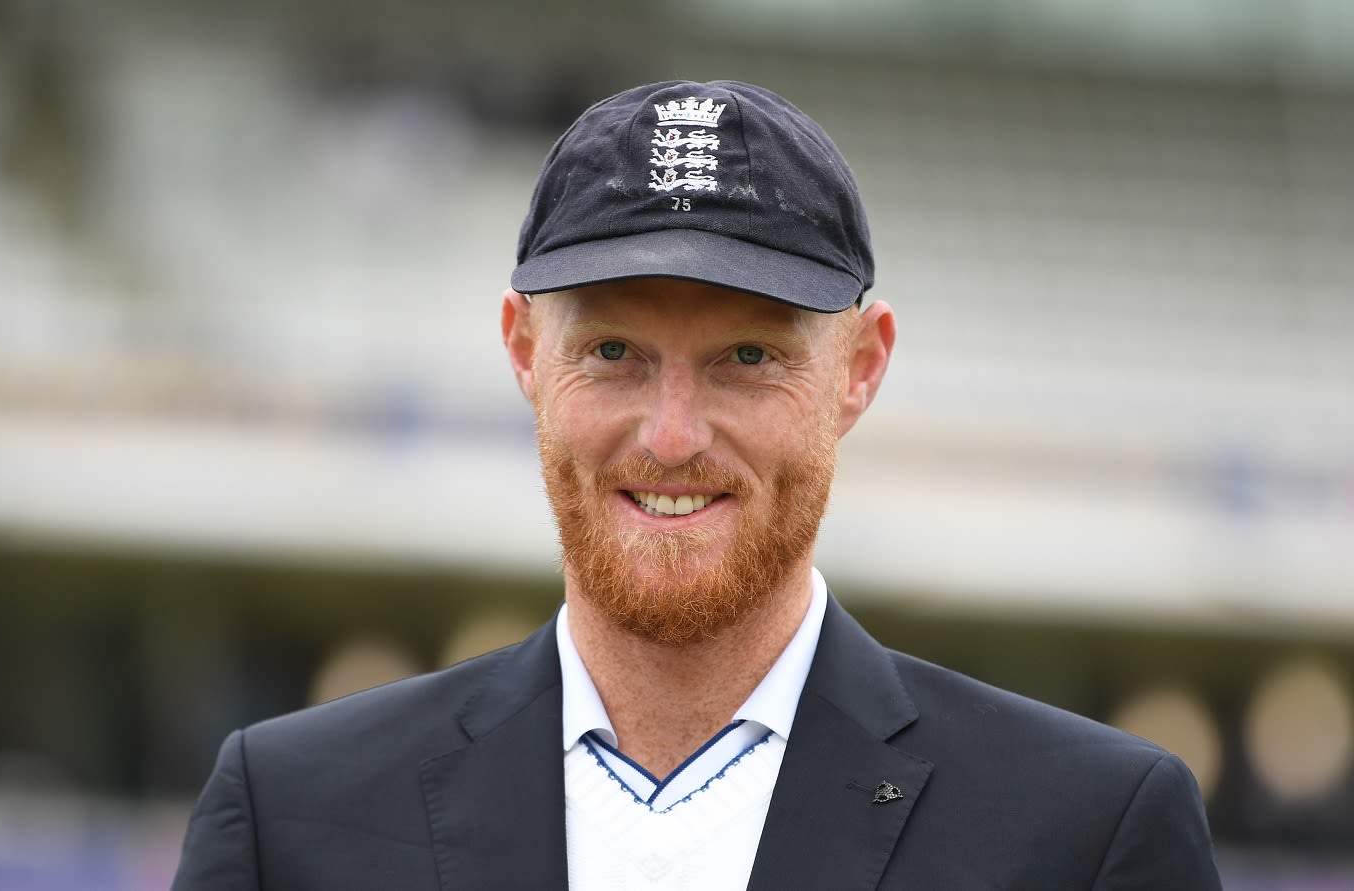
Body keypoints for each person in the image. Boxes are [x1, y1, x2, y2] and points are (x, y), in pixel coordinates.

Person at [171, 80, 1223, 890]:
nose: (671, 437)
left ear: (859, 369)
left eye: (748, 359)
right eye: (615, 350)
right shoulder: (292, 814)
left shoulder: (1082, 834)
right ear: (522, 350)